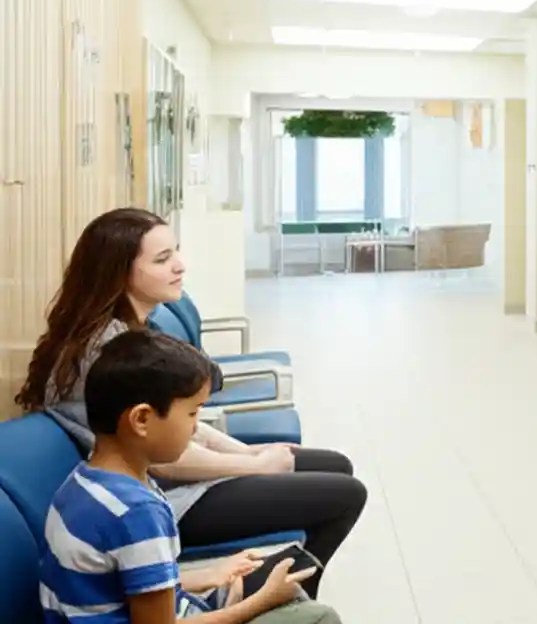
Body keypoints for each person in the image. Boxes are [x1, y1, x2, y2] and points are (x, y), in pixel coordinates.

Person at [15, 208, 366, 599]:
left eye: (176, 252)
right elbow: (162, 456)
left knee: (335, 465)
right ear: (119, 271)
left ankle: (283, 592)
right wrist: (253, 465)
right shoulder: (109, 350)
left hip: (164, 476)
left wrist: (251, 453)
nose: (180, 266)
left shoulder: (133, 329)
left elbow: (183, 421)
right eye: (162, 259)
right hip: (163, 496)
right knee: (345, 494)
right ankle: (274, 597)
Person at [39, 329, 342, 623]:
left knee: (288, 568)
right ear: (142, 419)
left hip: (179, 608)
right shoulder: (137, 513)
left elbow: (127, 587)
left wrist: (212, 575)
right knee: (318, 616)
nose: (195, 427)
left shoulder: (83, 482)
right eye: (192, 413)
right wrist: (260, 602)